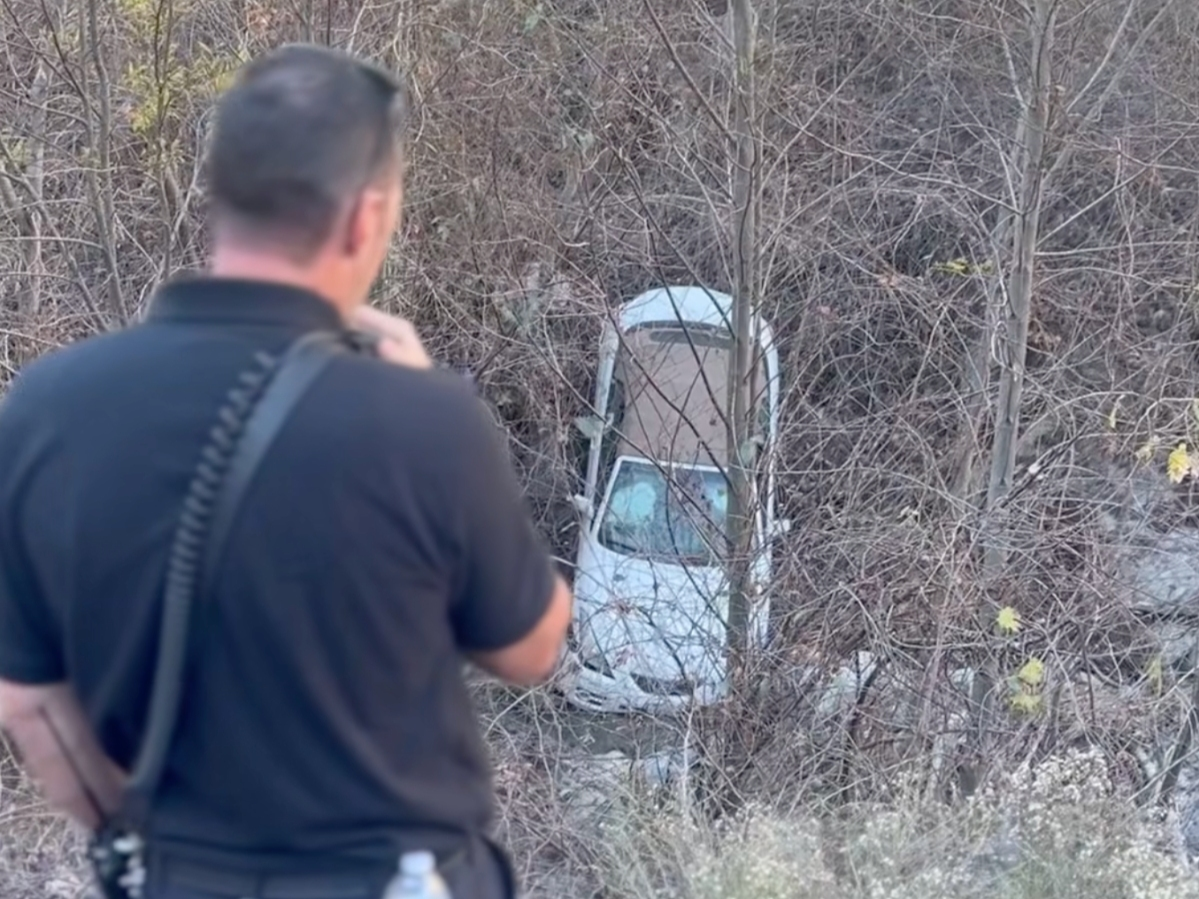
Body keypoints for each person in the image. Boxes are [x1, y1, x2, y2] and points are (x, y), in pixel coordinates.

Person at [0, 43, 572, 899]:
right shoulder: (423, 419)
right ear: (363, 218)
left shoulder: (45, 407)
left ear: (221, 198)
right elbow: (532, 649)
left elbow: (28, 704)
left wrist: (177, 853)